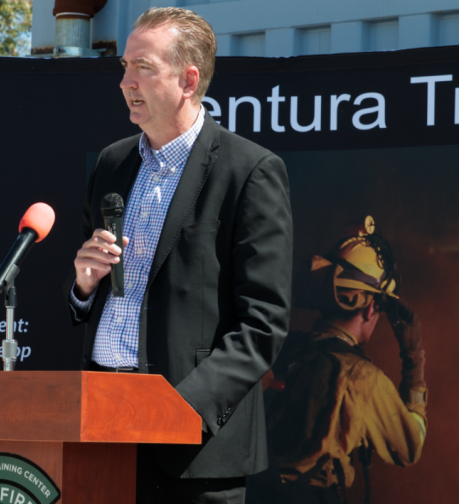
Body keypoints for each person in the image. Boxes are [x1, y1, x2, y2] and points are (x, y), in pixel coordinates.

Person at [65, 7, 292, 503]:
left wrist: (177, 410)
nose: (126, 82)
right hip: (101, 427)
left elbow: (263, 324)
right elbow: (88, 298)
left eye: (143, 68)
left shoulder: (248, 171)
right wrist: (83, 285)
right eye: (124, 67)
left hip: (192, 446)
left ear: (189, 79)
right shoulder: (112, 162)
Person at [254, 216, 427, 504]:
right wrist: (414, 358)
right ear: (371, 307)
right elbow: (410, 446)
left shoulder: (283, 348)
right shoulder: (361, 378)